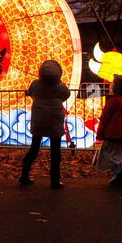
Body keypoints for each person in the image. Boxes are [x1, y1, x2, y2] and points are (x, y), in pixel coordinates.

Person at [20, 59, 70, 189]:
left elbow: (31, 93)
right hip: (55, 119)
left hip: (39, 119)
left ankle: (24, 174)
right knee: (55, 152)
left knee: (34, 148)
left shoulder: (35, 84)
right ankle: (55, 180)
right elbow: (66, 95)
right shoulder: (60, 87)